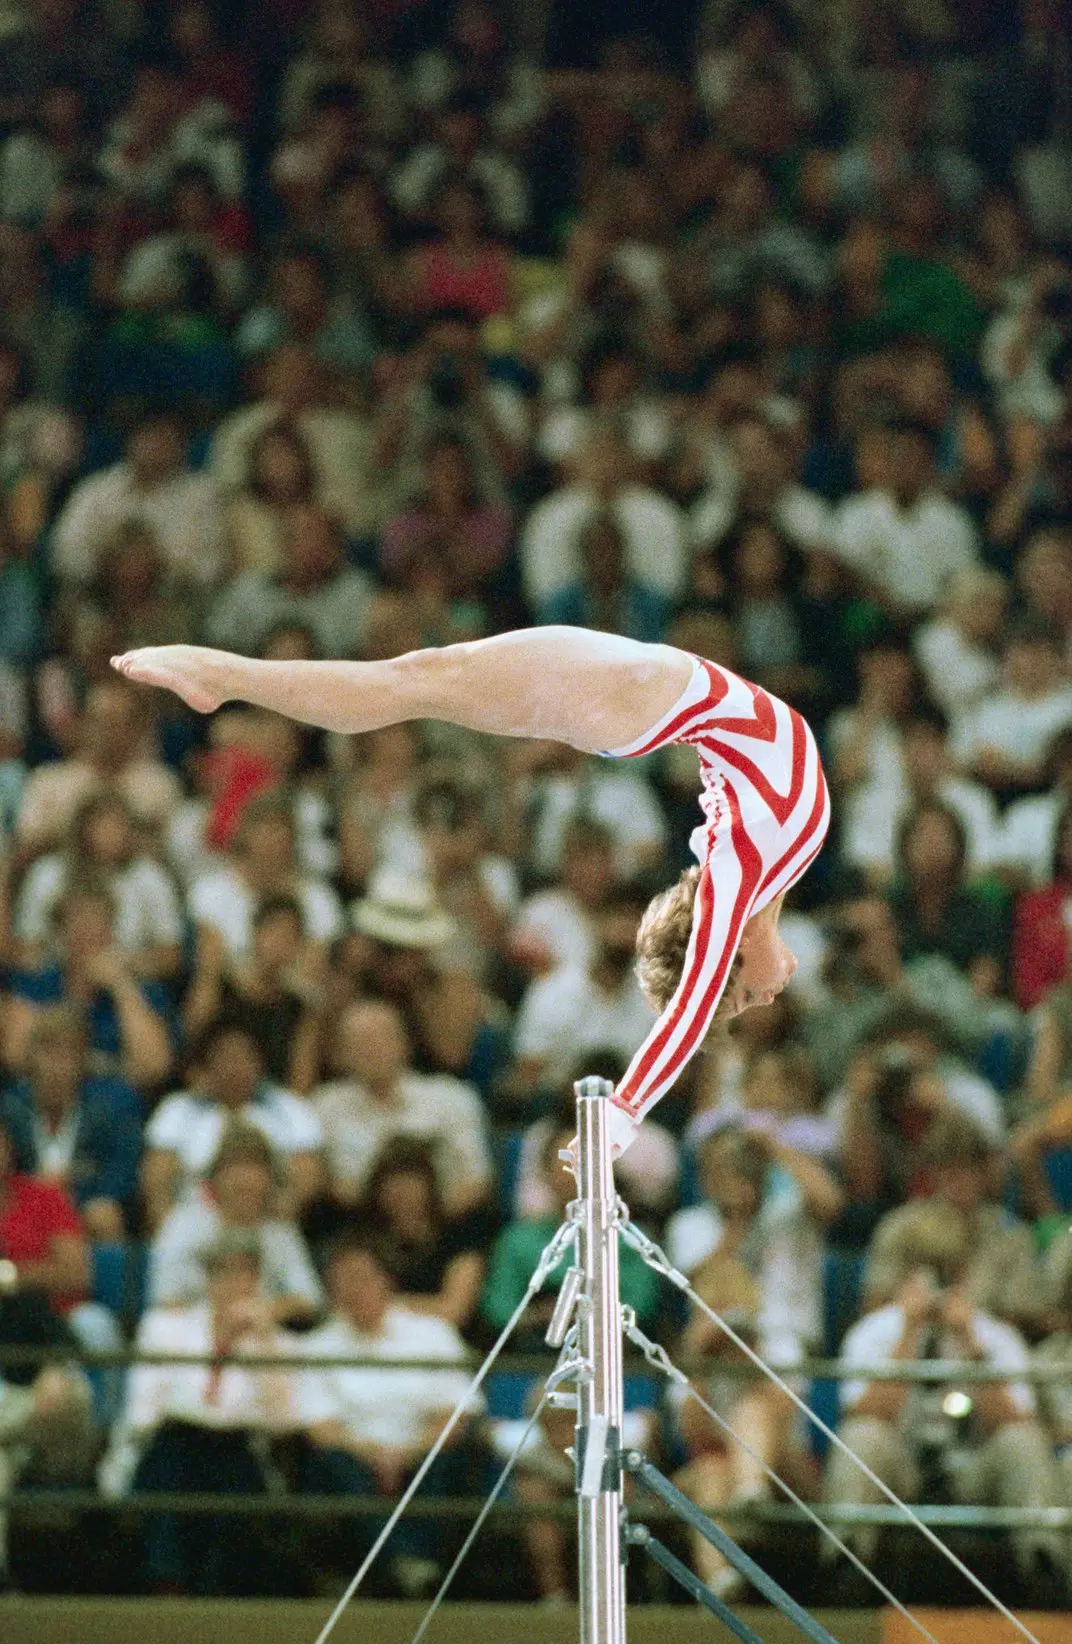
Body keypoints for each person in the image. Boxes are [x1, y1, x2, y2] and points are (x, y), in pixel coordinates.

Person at [110, 625, 830, 1157]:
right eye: (741, 999)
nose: (760, 1001)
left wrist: (624, 1112)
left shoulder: (744, 867)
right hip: (629, 701)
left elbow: (694, 997)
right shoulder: (763, 870)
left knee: (411, 682)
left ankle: (225, 676)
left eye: (738, 998)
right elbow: (699, 991)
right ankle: (226, 677)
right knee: (412, 680)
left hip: (624, 700)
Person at [823, 1204, 1069, 1609]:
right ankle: (844, 1573)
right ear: (907, 1274)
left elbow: (1016, 1422)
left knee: (1024, 1443)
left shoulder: (995, 1336)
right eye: (927, 1269)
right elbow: (866, 1414)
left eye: (949, 1271)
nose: (937, 1284)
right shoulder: (874, 1332)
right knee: (862, 1437)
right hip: (901, 1471)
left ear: (966, 1273)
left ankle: (1046, 1575)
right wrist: (908, 1333)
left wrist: (971, 1348)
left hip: (973, 1469)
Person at [297, 1225, 483, 1596]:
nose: (355, 1289)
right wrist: (375, 1455)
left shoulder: (431, 1333)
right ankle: (409, 1566)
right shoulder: (317, 1346)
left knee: (446, 1461)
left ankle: (403, 1568)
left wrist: (406, 1454)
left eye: (363, 1278)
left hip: (422, 1450)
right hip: (354, 1455)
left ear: (387, 1281)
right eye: (343, 1281)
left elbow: (456, 1413)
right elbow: (319, 1426)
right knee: (334, 1466)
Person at [108, 1233, 295, 1595]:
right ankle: (167, 1581)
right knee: (174, 1457)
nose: (235, 1285)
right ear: (208, 1280)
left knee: (233, 1469)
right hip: (172, 1444)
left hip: (237, 1450)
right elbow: (142, 1411)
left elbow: (283, 1422)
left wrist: (262, 1348)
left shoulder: (276, 1342)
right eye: (225, 1274)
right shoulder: (164, 1326)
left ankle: (215, 1592)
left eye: (246, 1276)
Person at [312, 997, 492, 1217]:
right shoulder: (323, 1106)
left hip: (442, 1224)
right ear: (342, 1054)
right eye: (360, 1041)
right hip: (358, 1226)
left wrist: (424, 1221)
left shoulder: (452, 1097)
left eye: (381, 1038)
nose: (372, 1050)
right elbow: (323, 1183)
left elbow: (476, 1180)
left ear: (405, 1043)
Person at [141, 1016, 324, 1231]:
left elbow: (306, 1179)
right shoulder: (178, 1109)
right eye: (225, 1057)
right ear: (206, 1065)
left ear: (260, 1063)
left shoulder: (288, 1107)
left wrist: (273, 1220)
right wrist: (171, 1229)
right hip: (193, 1224)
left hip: (269, 1225)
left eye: (243, 1057)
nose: (234, 1067)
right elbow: (157, 1184)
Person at [148, 1121, 323, 1325]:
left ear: (270, 1179)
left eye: (255, 1168)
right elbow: (166, 1300)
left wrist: (266, 1310)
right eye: (235, 1168)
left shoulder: (280, 1232)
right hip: (196, 1336)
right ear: (215, 1177)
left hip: (260, 1337)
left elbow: (310, 1299)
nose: (245, 1179)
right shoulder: (183, 1224)